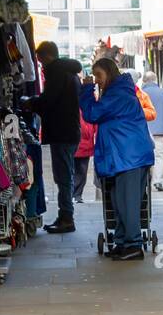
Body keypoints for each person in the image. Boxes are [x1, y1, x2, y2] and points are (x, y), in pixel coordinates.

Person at [80, 57, 155, 261]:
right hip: (125, 157)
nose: (96, 80)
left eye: (98, 75)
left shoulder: (117, 95)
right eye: (94, 76)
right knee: (119, 201)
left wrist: (86, 90)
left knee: (126, 202)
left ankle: (132, 245)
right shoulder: (119, 92)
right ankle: (123, 241)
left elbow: (92, 113)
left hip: (129, 157)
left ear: (109, 73)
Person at [22, 41, 82, 233]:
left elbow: (49, 101)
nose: (40, 65)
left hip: (62, 132)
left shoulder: (56, 73)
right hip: (69, 130)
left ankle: (66, 217)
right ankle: (65, 215)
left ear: (47, 57)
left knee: (63, 176)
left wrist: (30, 102)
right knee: (65, 175)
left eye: (40, 61)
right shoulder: (70, 73)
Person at [141, 71, 163, 191]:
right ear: (155, 80)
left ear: (144, 81)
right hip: (160, 131)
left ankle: (145, 181)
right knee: (159, 156)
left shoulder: (139, 94)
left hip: (142, 131)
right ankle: (157, 181)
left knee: (143, 155)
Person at [72, 115, 97, 203]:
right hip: (75, 143)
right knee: (79, 171)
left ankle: (76, 194)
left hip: (84, 145)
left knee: (80, 171)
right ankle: (75, 194)